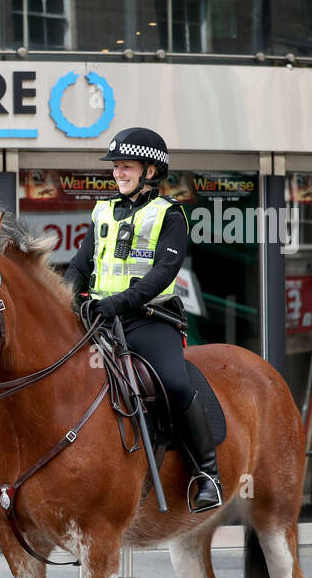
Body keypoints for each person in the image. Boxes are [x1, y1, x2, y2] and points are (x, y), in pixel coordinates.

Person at [63, 126, 223, 513]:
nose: (118, 172)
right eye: (116, 166)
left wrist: (121, 302)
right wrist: (65, 299)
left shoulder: (170, 215)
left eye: (126, 166)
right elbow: (81, 265)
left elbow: (163, 273)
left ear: (150, 171)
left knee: (175, 384)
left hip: (148, 320)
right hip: (99, 318)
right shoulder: (102, 211)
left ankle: (207, 475)